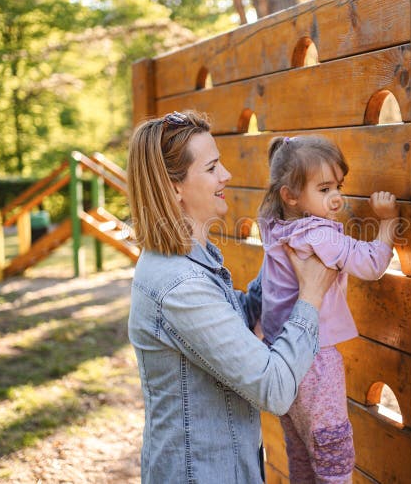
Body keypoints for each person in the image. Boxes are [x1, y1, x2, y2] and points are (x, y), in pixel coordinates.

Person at [126, 110, 337, 483]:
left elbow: (230, 324)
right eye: (211, 168)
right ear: (174, 187)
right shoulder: (182, 285)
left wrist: (283, 256)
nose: (226, 175)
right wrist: (311, 296)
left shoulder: (184, 260)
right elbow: (274, 388)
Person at [257, 135, 399, 483]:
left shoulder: (273, 225)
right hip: (316, 361)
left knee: (303, 451)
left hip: (282, 355)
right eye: (323, 189)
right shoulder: (318, 235)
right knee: (332, 451)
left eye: (338, 185)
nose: (336, 197)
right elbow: (370, 264)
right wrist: (387, 222)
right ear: (290, 196)